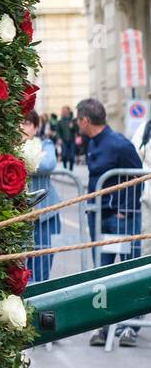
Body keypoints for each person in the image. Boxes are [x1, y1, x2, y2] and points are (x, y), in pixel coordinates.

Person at [77, 98, 143, 346]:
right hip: (100, 221)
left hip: (119, 221)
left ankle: (130, 326)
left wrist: (123, 210)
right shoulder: (93, 143)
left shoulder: (119, 144)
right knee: (103, 275)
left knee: (127, 273)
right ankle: (105, 327)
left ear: (85, 120)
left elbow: (137, 176)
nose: (76, 124)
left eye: (77, 119)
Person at [21, 111, 60, 283]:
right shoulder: (4, 146)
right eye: (19, 122)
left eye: (28, 123)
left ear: (36, 128)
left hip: (46, 216)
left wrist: (19, 161)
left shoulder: (46, 143)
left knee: (42, 270)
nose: (22, 127)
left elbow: (48, 164)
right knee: (18, 272)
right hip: (18, 218)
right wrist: (33, 159)